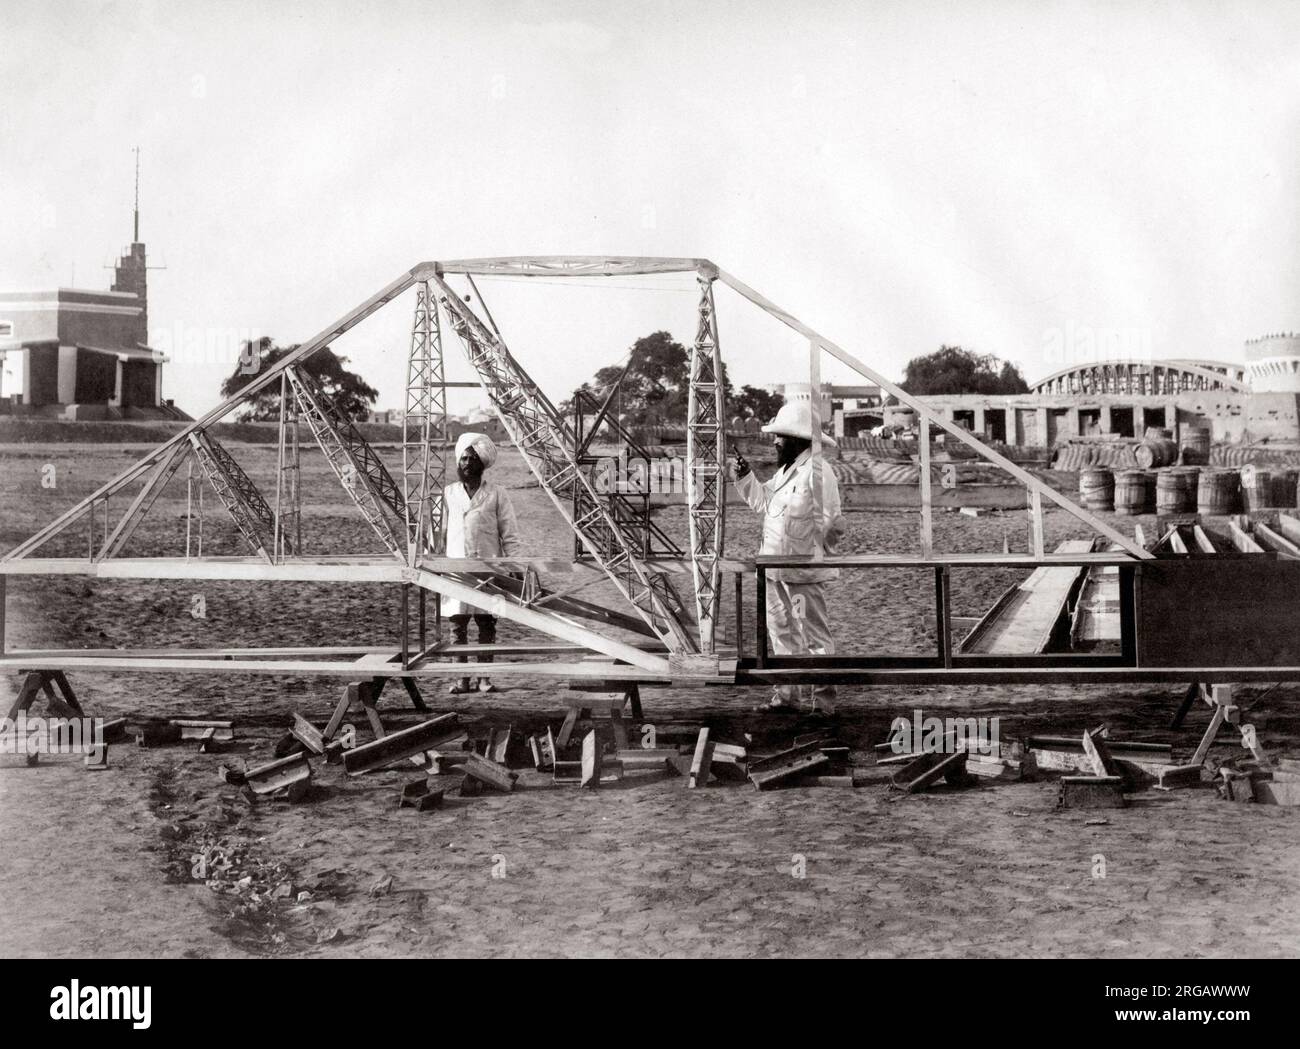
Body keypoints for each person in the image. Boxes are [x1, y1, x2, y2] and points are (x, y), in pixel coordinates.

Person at [732, 401, 845, 715]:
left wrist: (806, 551)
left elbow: (831, 521)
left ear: (797, 440)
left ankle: (823, 706)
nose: (775, 442)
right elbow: (763, 502)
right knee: (782, 632)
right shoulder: (786, 472)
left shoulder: (819, 472)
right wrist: (745, 478)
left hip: (802, 572)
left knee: (814, 638)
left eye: (780, 436)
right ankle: (787, 698)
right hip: (775, 569)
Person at [442, 431, 522, 694]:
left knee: (486, 624)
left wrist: (515, 567)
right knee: (457, 625)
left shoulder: (497, 494)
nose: (466, 463)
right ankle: (461, 679)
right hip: (456, 569)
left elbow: (509, 534)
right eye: (463, 458)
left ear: (482, 464)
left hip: (489, 569)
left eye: (472, 458)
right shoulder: (448, 494)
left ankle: (484, 678)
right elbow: (436, 534)